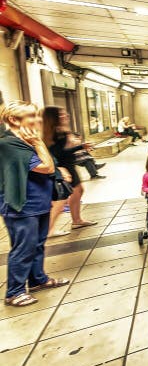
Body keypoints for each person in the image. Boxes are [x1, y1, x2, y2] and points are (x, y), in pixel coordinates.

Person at [0, 101, 70, 307]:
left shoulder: (25, 141)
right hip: (22, 205)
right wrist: (39, 143)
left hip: (38, 201)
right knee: (24, 247)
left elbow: (51, 164)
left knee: (37, 244)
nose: (38, 120)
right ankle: (14, 292)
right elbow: (47, 167)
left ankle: (37, 279)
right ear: (13, 120)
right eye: (31, 116)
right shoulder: (9, 144)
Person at [42, 106, 97, 237]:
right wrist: (78, 147)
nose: (65, 115)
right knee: (61, 199)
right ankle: (49, 229)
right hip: (63, 167)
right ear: (53, 117)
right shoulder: (56, 133)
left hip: (68, 165)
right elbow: (58, 153)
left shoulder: (59, 131)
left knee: (78, 191)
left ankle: (77, 220)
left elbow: (62, 151)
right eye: (61, 114)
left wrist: (80, 146)